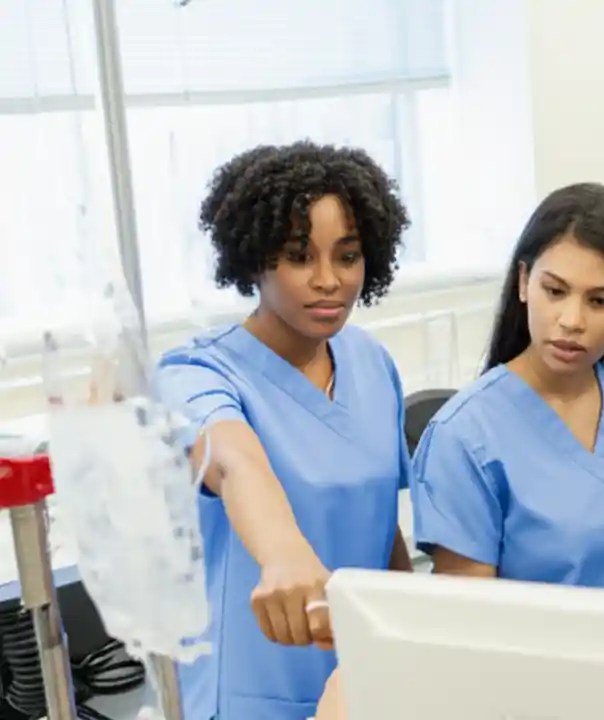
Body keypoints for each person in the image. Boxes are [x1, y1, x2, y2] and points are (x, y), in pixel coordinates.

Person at [156, 141, 413, 719]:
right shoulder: (195, 374)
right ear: (254, 259)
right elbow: (234, 461)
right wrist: (285, 557)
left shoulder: (372, 363)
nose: (329, 281)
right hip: (251, 688)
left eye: (347, 257)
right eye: (300, 257)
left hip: (359, 682)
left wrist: (407, 641)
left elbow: (380, 524)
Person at [411, 183, 604, 592]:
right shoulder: (465, 436)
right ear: (524, 281)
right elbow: (467, 625)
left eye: (600, 301)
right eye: (554, 292)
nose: (571, 320)